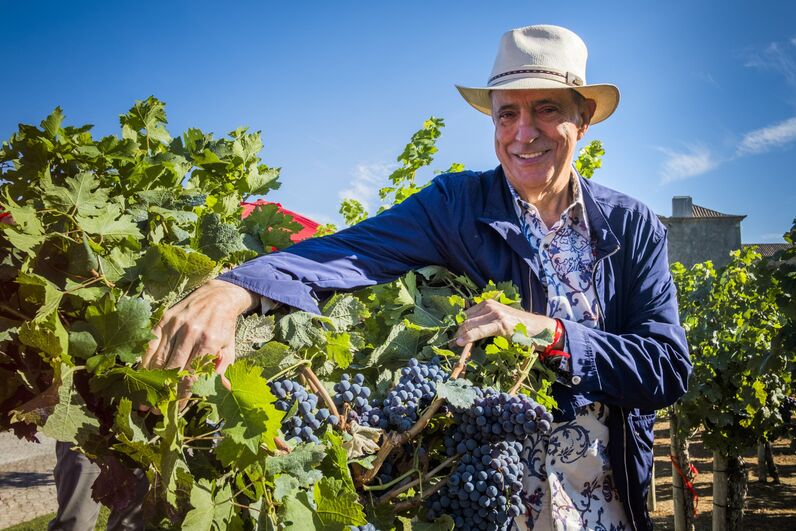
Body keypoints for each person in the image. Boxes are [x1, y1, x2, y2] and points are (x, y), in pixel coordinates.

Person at [143, 25, 691, 531]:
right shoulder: (454, 205)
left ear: (584, 118)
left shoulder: (631, 225)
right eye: (506, 115)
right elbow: (350, 250)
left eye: (546, 110)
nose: (524, 133)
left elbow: (666, 368)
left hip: (606, 495)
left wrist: (546, 333)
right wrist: (233, 288)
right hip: (489, 498)